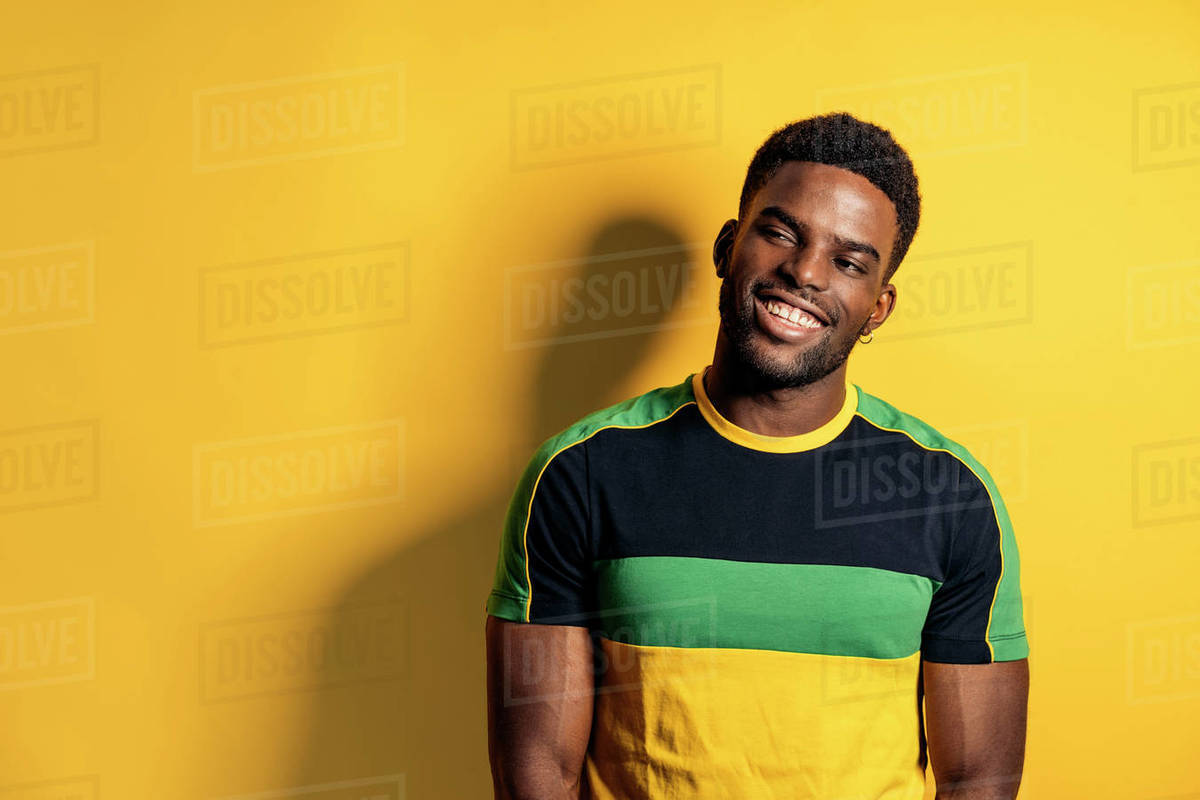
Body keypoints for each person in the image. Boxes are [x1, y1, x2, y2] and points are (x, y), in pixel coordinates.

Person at [484, 111, 1030, 800]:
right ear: (726, 247)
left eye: (849, 261)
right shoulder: (582, 474)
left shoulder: (948, 495)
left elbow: (977, 777)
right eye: (779, 232)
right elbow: (539, 774)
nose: (803, 272)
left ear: (878, 309)